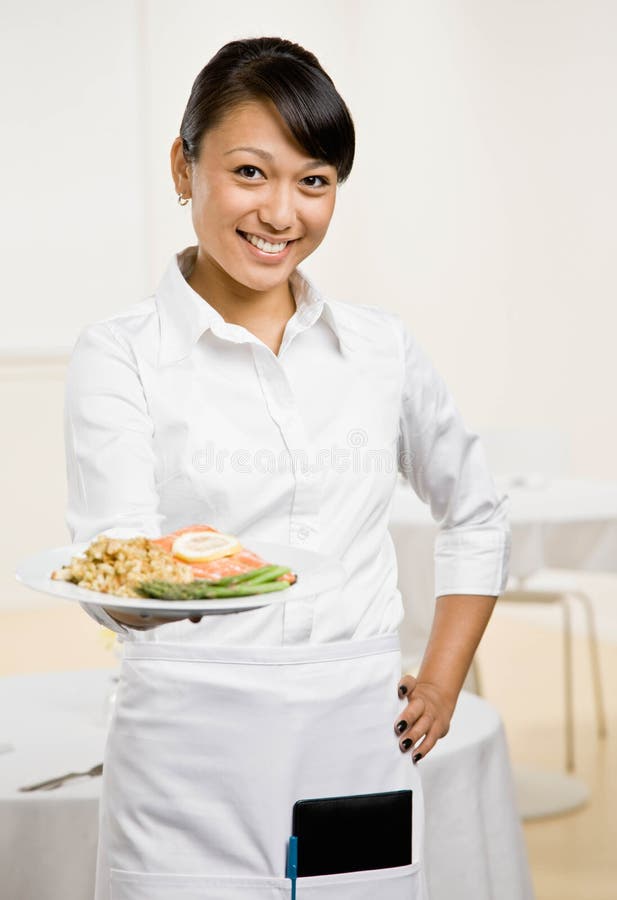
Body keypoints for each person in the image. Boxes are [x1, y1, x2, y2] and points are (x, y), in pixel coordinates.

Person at [64, 37, 510, 900]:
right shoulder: (120, 355)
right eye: (249, 172)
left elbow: (476, 512)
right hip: (187, 747)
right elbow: (110, 567)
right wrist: (168, 585)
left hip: (354, 731)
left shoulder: (380, 349)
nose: (281, 212)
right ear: (183, 167)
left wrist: (445, 679)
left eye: (313, 181)